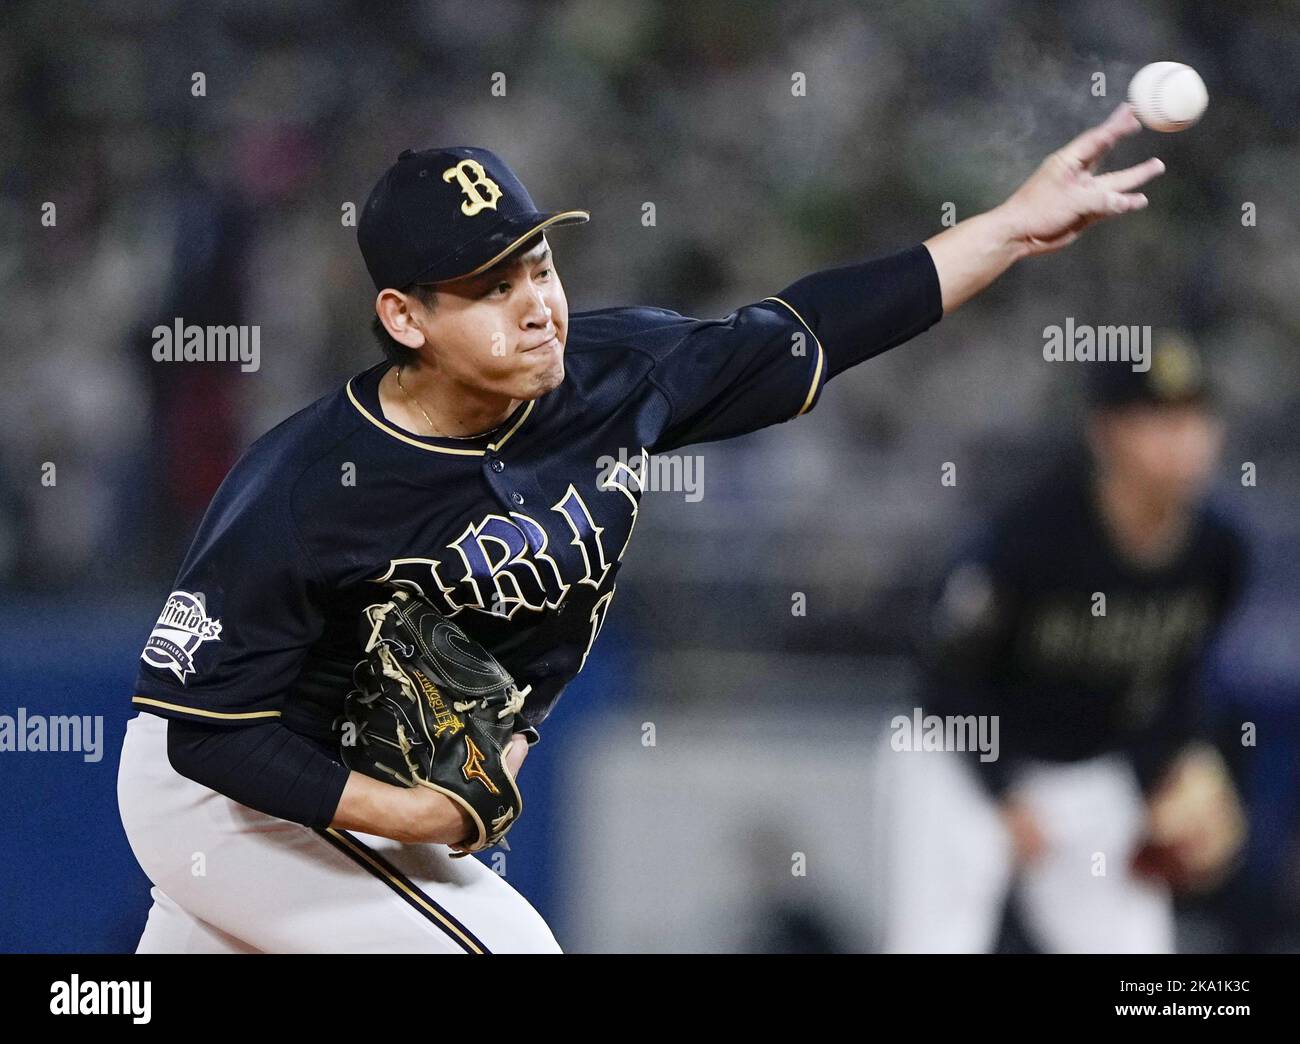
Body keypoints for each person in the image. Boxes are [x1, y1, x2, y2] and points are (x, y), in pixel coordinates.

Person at [118, 106, 1165, 953]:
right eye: (490, 287)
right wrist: (420, 819)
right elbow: (208, 731)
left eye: (538, 266)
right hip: (238, 794)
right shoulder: (308, 487)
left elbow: (815, 330)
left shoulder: (614, 379)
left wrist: (1014, 226)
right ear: (404, 317)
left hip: (334, 803)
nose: (537, 305)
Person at [884, 332, 1247, 954]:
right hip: (956, 757)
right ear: (1105, 434)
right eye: (1157, 420)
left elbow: (1179, 675)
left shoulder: (1219, 552)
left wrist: (1180, 765)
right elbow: (944, 672)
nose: (1182, 439)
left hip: (1087, 768)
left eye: (1195, 418)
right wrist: (1000, 794)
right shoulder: (1034, 533)